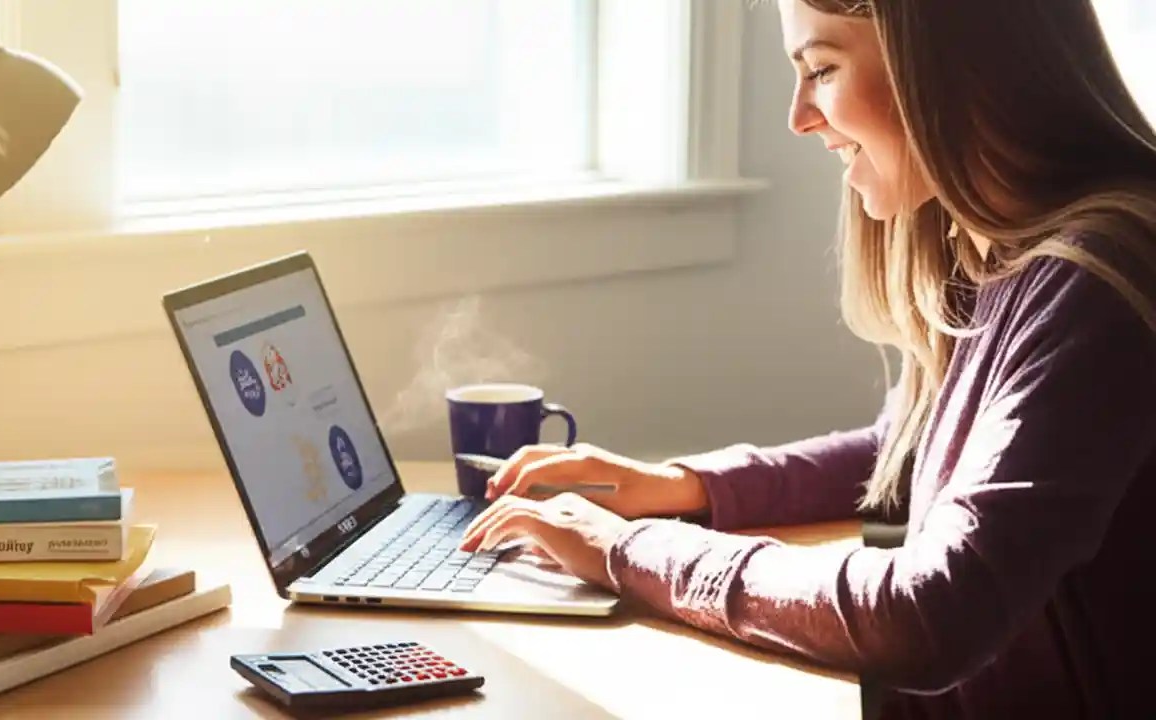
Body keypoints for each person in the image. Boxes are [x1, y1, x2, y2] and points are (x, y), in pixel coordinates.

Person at [460, 1, 1156, 717]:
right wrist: (682, 485)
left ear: (951, 63)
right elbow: (906, 450)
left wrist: (627, 551)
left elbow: (935, 611)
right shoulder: (989, 247)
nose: (799, 117)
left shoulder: (1098, 277)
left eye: (822, 69)